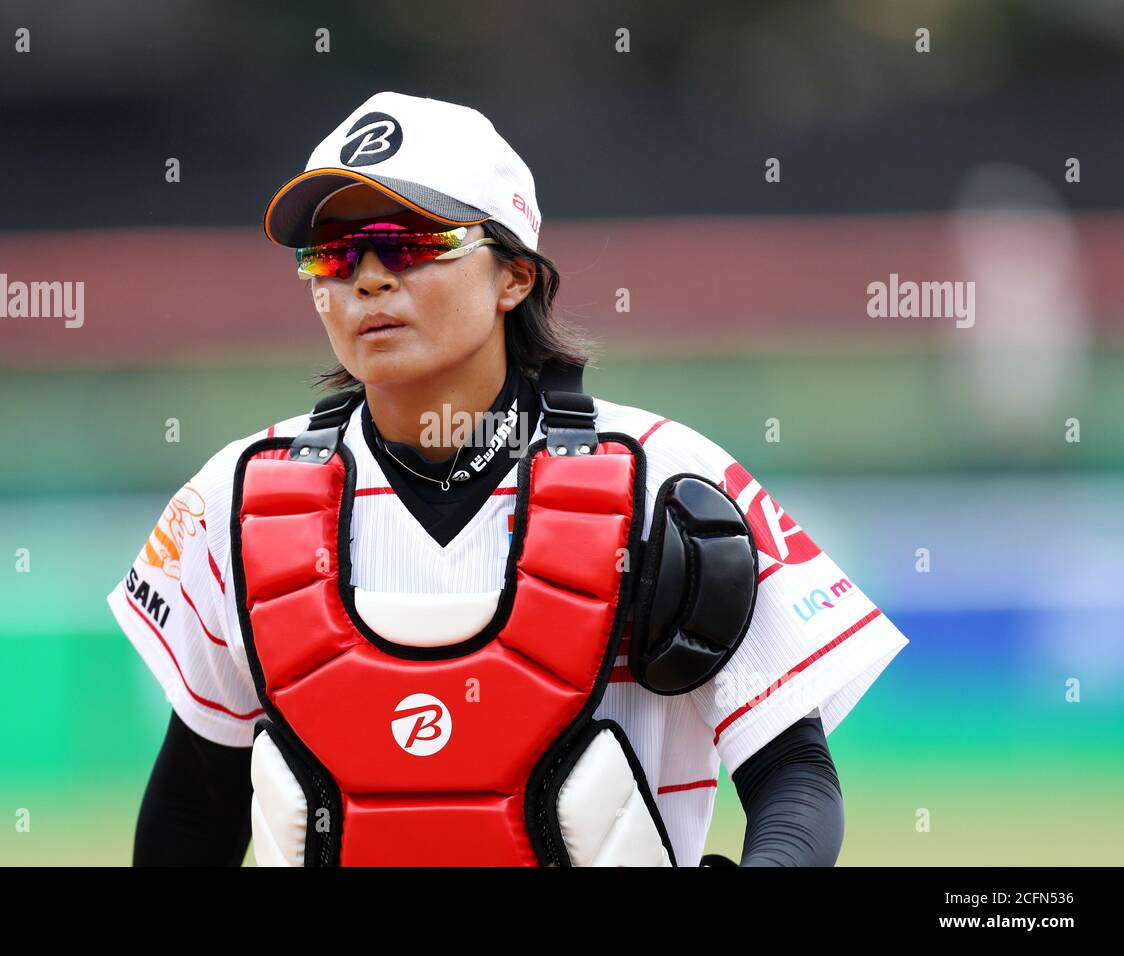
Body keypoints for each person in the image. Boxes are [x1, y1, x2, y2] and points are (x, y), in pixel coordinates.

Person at [108, 91, 908, 866]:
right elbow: (197, 804)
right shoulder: (240, 498)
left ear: (514, 277)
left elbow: (792, 774)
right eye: (334, 253)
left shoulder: (666, 479)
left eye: (413, 242)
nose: (368, 279)